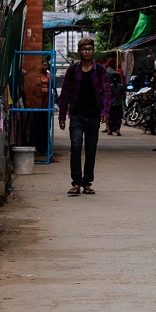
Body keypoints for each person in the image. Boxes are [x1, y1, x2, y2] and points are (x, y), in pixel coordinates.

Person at [56, 38, 110, 196]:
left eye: (90, 48)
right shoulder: (73, 70)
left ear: (93, 51)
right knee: (75, 148)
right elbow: (65, 93)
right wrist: (62, 115)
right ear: (79, 51)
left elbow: (106, 92)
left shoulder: (100, 70)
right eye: (84, 48)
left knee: (91, 150)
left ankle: (87, 183)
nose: (87, 51)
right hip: (77, 116)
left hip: (93, 116)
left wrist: (105, 112)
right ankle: (76, 183)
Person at [103, 58, 125, 136]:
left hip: (108, 97)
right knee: (118, 116)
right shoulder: (118, 74)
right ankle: (117, 129)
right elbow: (122, 88)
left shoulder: (105, 73)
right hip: (117, 98)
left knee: (108, 113)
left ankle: (108, 127)